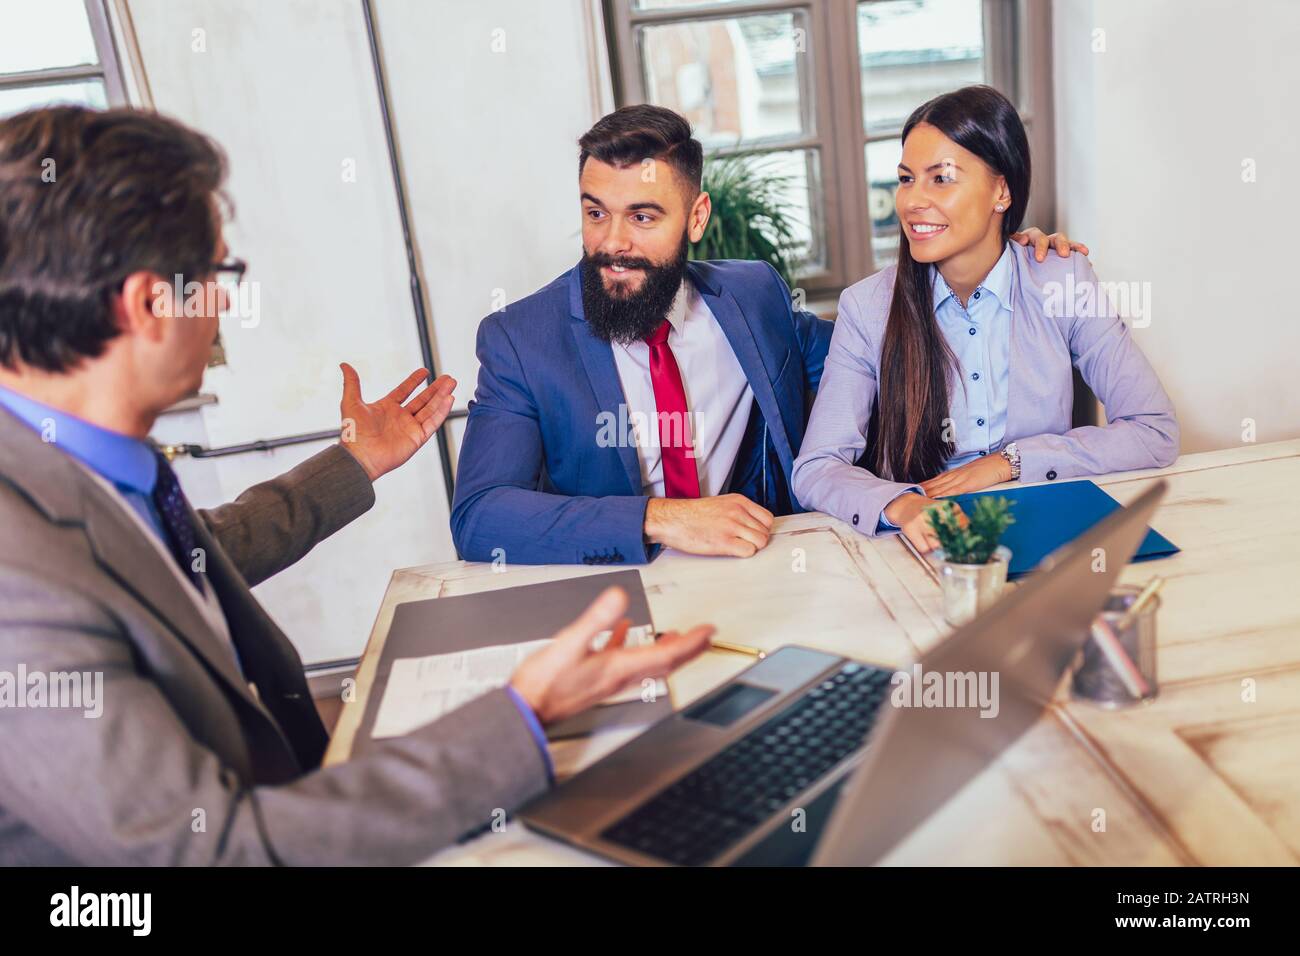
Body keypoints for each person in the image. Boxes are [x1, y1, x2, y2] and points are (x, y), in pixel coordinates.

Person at [0, 106, 712, 865]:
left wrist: (357, 462)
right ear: (150, 304)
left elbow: (198, 553)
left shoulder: (73, 465)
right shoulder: (17, 581)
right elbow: (220, 852)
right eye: (218, 276)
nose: (225, 311)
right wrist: (520, 717)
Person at [451, 103, 1076, 566]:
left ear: (697, 218)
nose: (613, 242)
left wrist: (1001, 259)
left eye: (643, 217)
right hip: (615, 601)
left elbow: (877, 351)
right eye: (595, 213)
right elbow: (480, 517)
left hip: (771, 571)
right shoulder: (520, 339)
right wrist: (662, 520)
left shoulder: (753, 296)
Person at [792, 86, 1178, 552]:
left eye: (941, 178)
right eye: (906, 178)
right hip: (924, 542)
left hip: (1044, 524)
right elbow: (817, 466)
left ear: (1001, 190)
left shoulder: (1061, 280)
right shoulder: (867, 307)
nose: (912, 201)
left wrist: (1010, 462)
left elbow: (1152, 431)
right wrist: (900, 503)